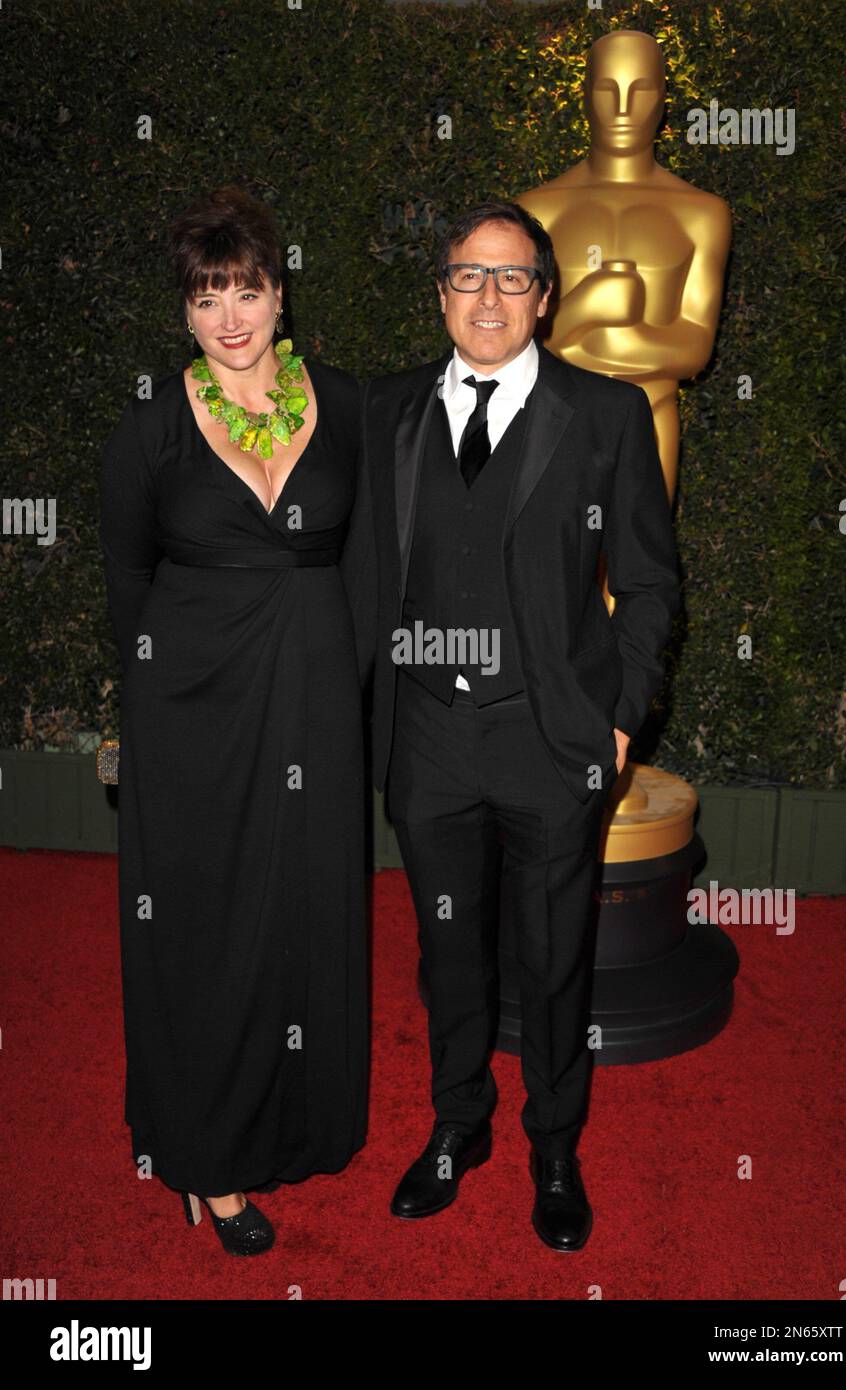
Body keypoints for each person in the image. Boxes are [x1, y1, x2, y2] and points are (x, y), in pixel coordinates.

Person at [352, 201, 680, 1251]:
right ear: (439, 292)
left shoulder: (605, 414)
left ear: (544, 297)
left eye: (509, 278)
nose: (486, 297)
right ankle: (457, 1128)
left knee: (551, 958)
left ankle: (551, 1142)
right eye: (465, 276)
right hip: (426, 740)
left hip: (553, 739)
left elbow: (648, 580)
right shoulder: (384, 411)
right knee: (447, 951)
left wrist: (620, 718)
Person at [99, 185, 370, 1255]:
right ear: (185, 310)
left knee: (299, 916)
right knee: (203, 928)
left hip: (310, 705)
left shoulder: (342, 405)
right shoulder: (149, 432)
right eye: (206, 295)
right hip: (192, 712)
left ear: (278, 290)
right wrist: (140, 722)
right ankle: (201, 1160)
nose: (228, 317)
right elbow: (127, 584)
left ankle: (292, 1119)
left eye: (245, 289)